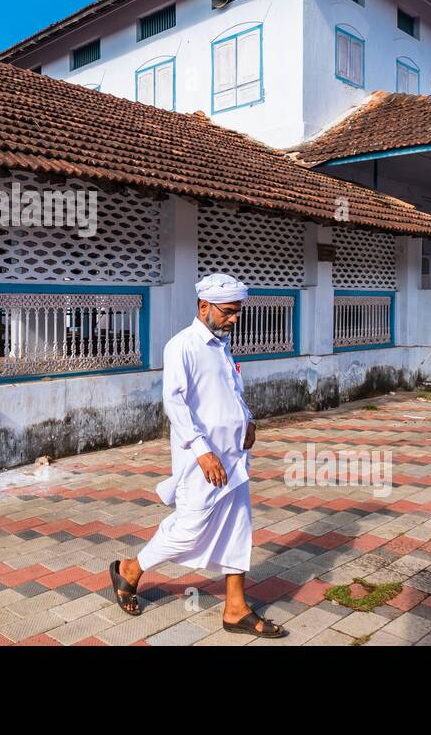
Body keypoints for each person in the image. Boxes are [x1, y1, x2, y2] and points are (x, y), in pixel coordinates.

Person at [108, 272, 287, 639]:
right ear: (204, 306)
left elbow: (232, 389)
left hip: (233, 456)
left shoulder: (221, 345)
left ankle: (235, 608)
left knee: (239, 526)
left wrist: (248, 419)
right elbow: (174, 403)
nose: (234, 319)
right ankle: (129, 569)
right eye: (228, 312)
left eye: (238, 312)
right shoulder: (182, 346)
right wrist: (204, 453)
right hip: (201, 459)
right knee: (189, 529)